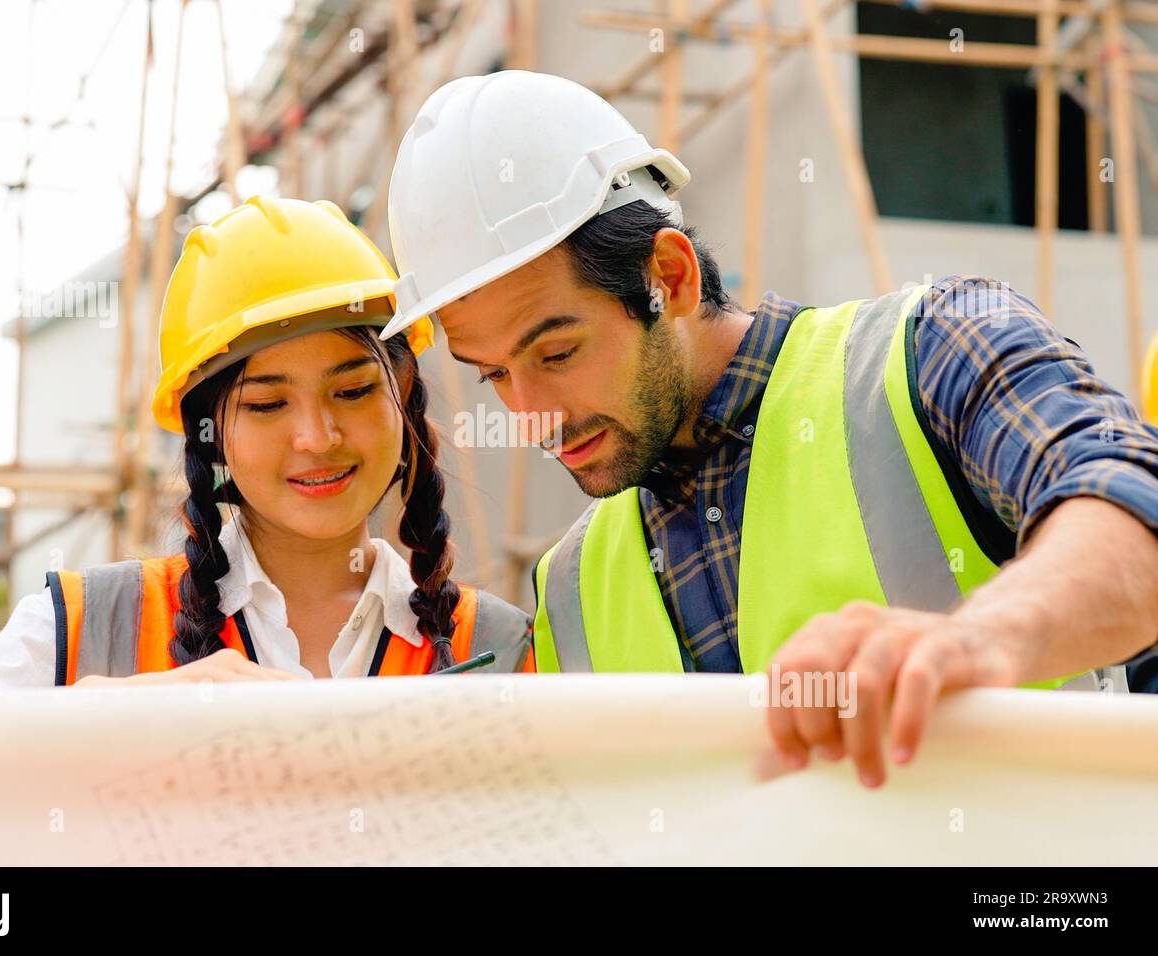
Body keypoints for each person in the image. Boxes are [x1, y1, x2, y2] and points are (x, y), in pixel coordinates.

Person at [380, 70, 1158, 787]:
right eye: (494, 375)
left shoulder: (933, 349)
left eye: (555, 352)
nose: (529, 413)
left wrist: (981, 640)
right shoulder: (571, 589)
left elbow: (1129, 508)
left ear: (671, 278)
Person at [0, 196, 533, 689]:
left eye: (351, 391)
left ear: (401, 390)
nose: (316, 437)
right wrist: (104, 709)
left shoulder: (501, 648)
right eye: (267, 404)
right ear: (210, 429)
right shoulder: (87, 626)